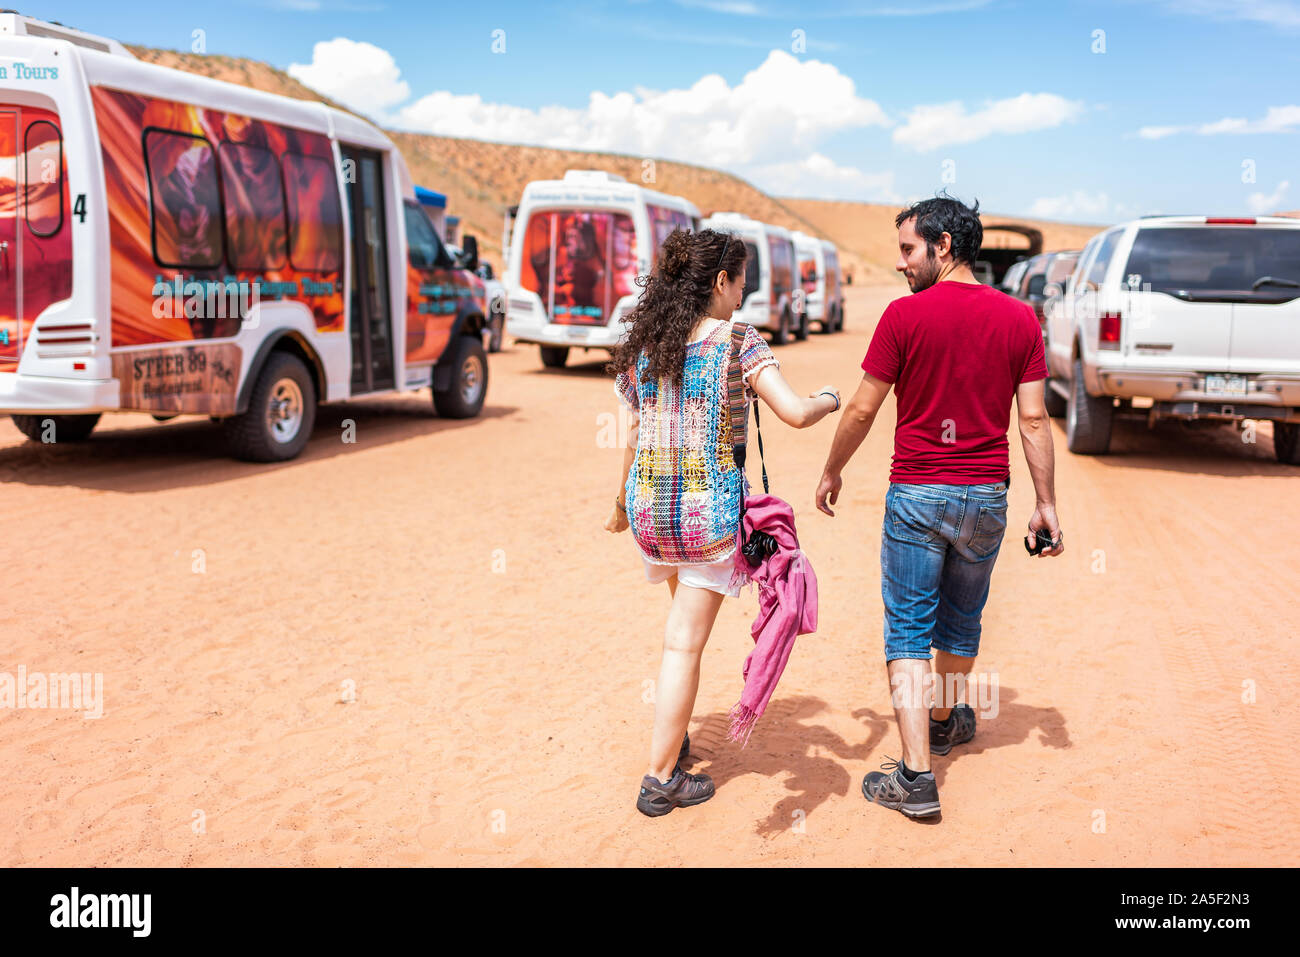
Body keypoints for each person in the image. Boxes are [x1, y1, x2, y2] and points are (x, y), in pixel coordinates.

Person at [814, 194, 1064, 819]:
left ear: (943, 245)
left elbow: (865, 407)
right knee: (961, 622)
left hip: (918, 497)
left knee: (908, 629)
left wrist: (832, 469)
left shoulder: (904, 318)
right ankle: (946, 719)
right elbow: (1032, 419)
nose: (901, 264)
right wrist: (1047, 504)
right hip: (986, 499)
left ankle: (916, 776)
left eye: (907, 249)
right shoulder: (1019, 320)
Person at [605, 227, 841, 818]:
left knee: (678, 632)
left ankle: (673, 736)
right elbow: (792, 411)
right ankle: (660, 778)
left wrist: (616, 502)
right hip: (705, 518)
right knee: (682, 645)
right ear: (720, 281)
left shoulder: (650, 342)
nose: (743, 294)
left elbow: (632, 434)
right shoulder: (738, 340)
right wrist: (830, 399)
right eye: (740, 281)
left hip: (651, 512)